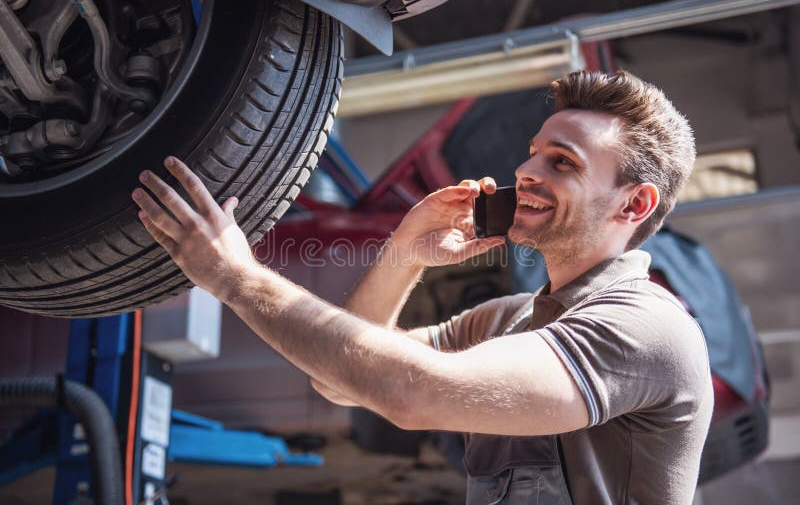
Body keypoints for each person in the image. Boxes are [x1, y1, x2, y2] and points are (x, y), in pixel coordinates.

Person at [132, 70, 713, 504]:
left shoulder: (646, 327)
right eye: (534, 153)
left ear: (634, 203)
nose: (526, 171)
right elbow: (338, 383)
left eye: (563, 162)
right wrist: (406, 254)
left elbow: (411, 393)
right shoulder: (504, 321)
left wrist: (235, 276)